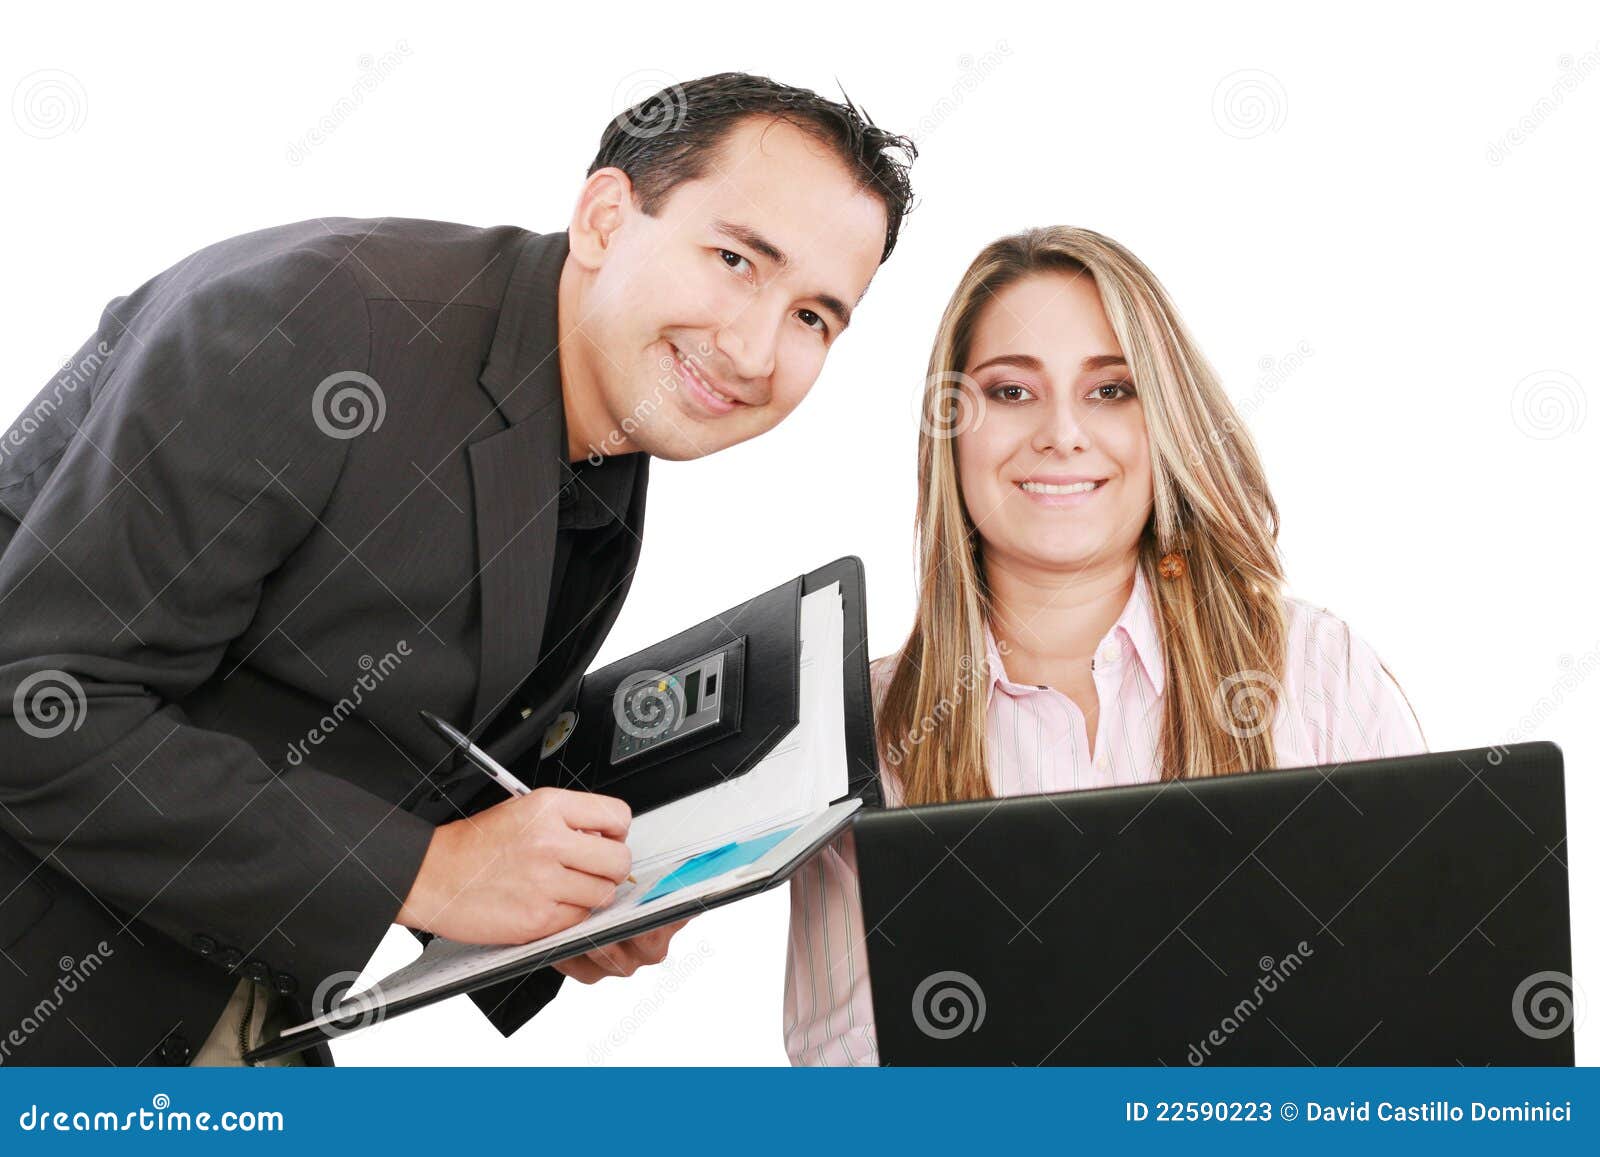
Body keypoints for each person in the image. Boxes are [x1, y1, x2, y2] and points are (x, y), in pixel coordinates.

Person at [0, 72, 915, 1065]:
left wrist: (571, 890)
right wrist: (426, 870)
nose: (753, 348)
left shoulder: (600, 416)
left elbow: (370, 702)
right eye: (736, 258)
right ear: (608, 217)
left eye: (814, 316)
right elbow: (36, 706)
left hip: (231, 988)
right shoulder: (316, 326)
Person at [783, 226, 1425, 1065]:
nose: (1061, 433)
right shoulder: (859, 733)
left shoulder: (1315, 670)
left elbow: (1422, 1005)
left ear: (1165, 421)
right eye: (1010, 392)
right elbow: (851, 1077)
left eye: (1111, 390)